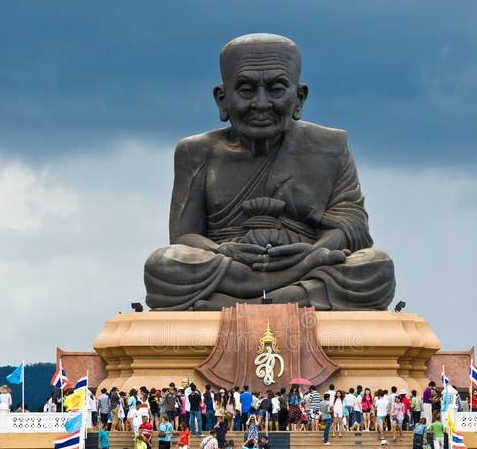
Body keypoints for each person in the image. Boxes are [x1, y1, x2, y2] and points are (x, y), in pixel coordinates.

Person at [144, 32, 395, 311]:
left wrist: (313, 253)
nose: (261, 104)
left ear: (299, 98)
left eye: (276, 89)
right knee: (163, 264)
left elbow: (352, 228)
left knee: (376, 265)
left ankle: (239, 304)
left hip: (305, 263)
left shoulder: (329, 147)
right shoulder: (197, 152)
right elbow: (183, 238)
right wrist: (224, 251)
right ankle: (288, 300)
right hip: (235, 266)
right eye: (246, 90)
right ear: (222, 99)